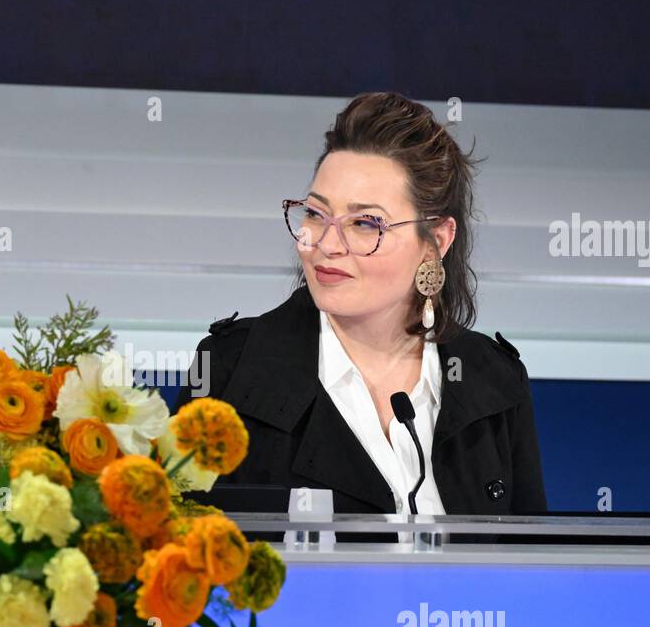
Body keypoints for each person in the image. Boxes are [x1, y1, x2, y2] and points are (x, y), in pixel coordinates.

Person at [176, 92, 547, 524]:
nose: (325, 245)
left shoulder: (494, 379)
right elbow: (178, 565)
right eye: (316, 214)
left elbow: (531, 565)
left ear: (437, 241)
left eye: (365, 223)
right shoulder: (228, 371)